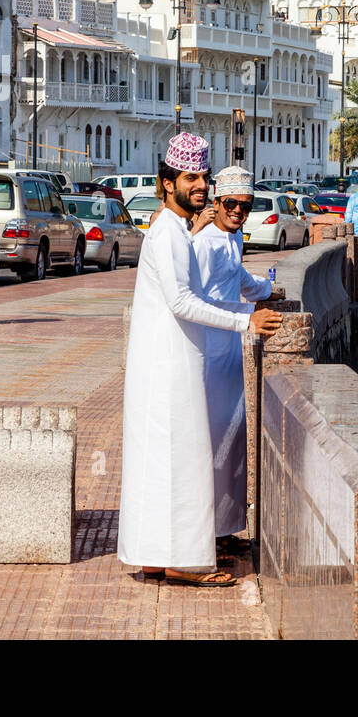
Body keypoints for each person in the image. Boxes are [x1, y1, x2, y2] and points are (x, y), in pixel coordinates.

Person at [119, 133, 283, 587]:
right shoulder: (169, 234)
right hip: (169, 367)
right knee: (185, 461)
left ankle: (157, 558)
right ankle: (181, 563)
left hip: (170, 362)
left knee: (163, 463)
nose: (199, 185)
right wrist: (245, 322)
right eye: (190, 177)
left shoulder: (173, 231)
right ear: (166, 182)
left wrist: (248, 311)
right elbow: (182, 302)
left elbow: (198, 299)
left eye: (203, 177)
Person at [192, 166, 284, 555]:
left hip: (230, 351)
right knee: (210, 441)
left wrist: (268, 289)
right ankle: (204, 532)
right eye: (231, 204)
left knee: (232, 439)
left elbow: (240, 279)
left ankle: (226, 527)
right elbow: (195, 299)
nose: (238, 212)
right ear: (217, 202)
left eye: (245, 207)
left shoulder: (231, 240)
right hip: (208, 353)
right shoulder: (206, 243)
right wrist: (246, 318)